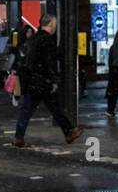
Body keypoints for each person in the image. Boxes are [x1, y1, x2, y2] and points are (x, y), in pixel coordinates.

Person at [13, 14, 85, 148]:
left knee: (27, 110)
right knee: (55, 108)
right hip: (43, 81)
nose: (55, 27)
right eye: (55, 24)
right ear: (51, 25)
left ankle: (19, 137)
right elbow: (49, 63)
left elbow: (25, 58)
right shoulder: (47, 40)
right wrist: (53, 79)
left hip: (32, 81)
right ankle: (69, 132)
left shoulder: (33, 38)